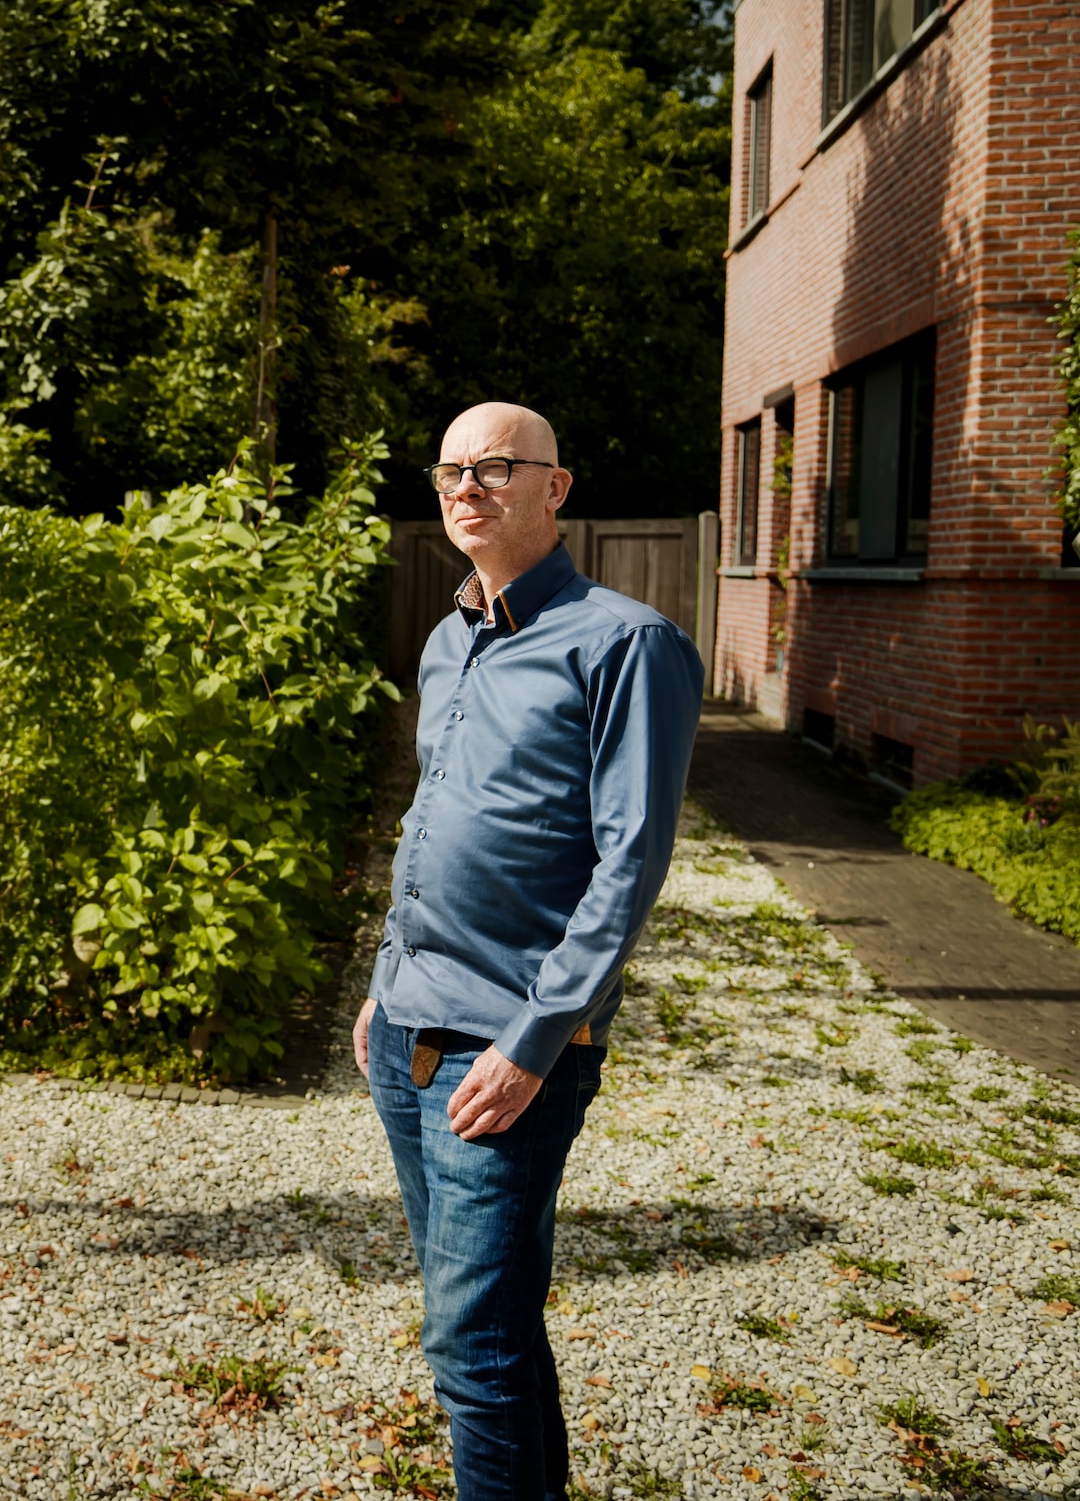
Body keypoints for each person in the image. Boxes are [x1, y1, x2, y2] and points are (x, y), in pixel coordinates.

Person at [355, 402, 703, 1501]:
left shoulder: (624, 644)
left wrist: (534, 1043)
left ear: (553, 489)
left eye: (496, 467)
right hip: (403, 1031)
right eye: (451, 470)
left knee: (469, 1347)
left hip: (496, 1052)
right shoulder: (445, 636)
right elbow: (427, 825)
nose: (467, 488)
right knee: (487, 1335)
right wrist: (380, 982)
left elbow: (628, 865)